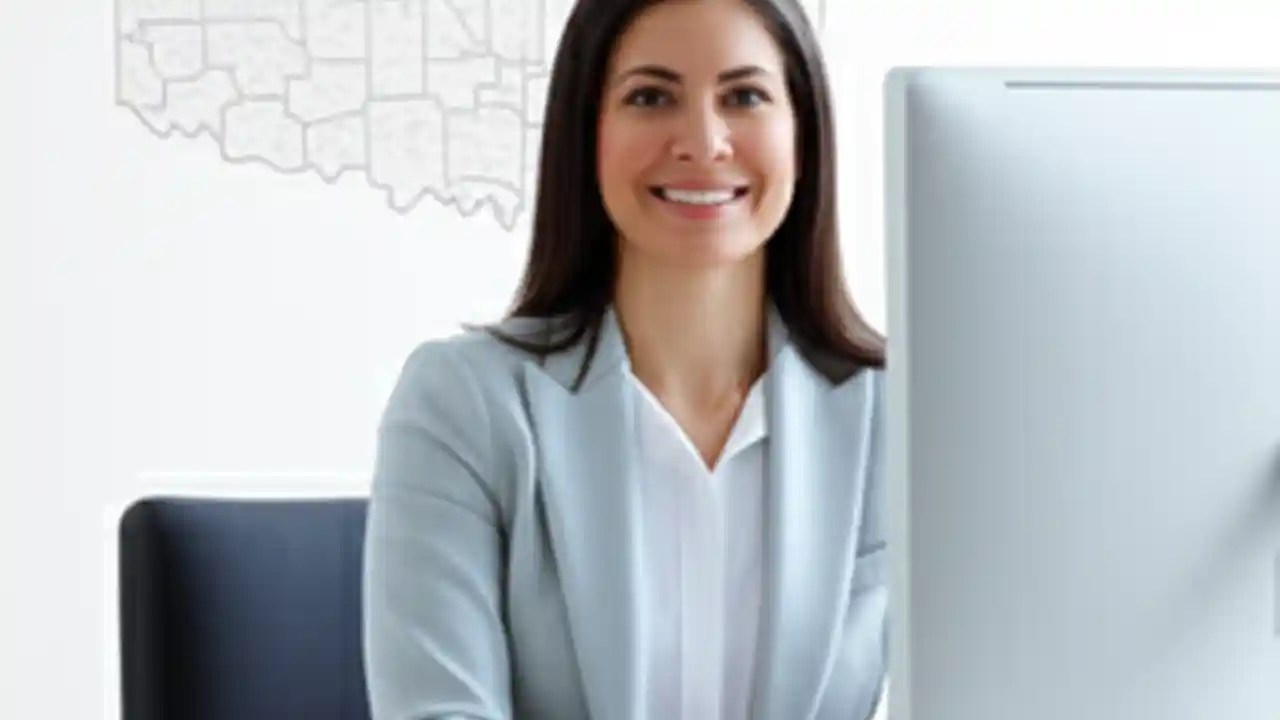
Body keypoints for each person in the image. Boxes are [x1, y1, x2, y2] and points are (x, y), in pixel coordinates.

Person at [362, 0, 888, 718]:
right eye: (651, 97)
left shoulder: (899, 416)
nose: (704, 143)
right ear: (588, 134)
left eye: (744, 96)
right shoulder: (464, 404)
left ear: (803, 134)